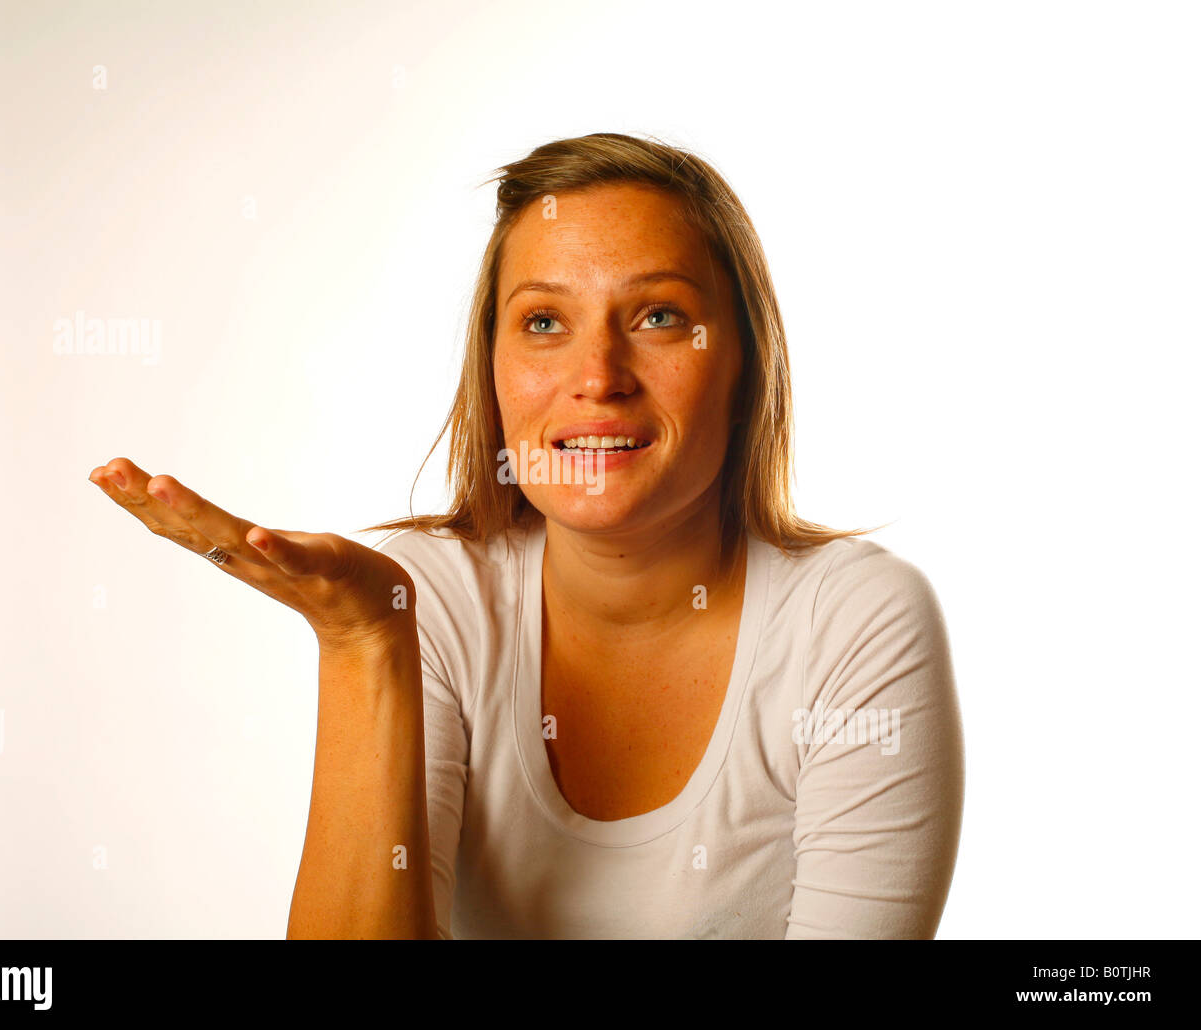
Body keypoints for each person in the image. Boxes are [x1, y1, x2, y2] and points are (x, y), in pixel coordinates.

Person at [88, 132, 965, 939]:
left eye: (658, 315)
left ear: (746, 360)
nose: (598, 378)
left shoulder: (853, 620)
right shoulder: (429, 597)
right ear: (494, 366)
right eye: (545, 321)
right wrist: (363, 639)